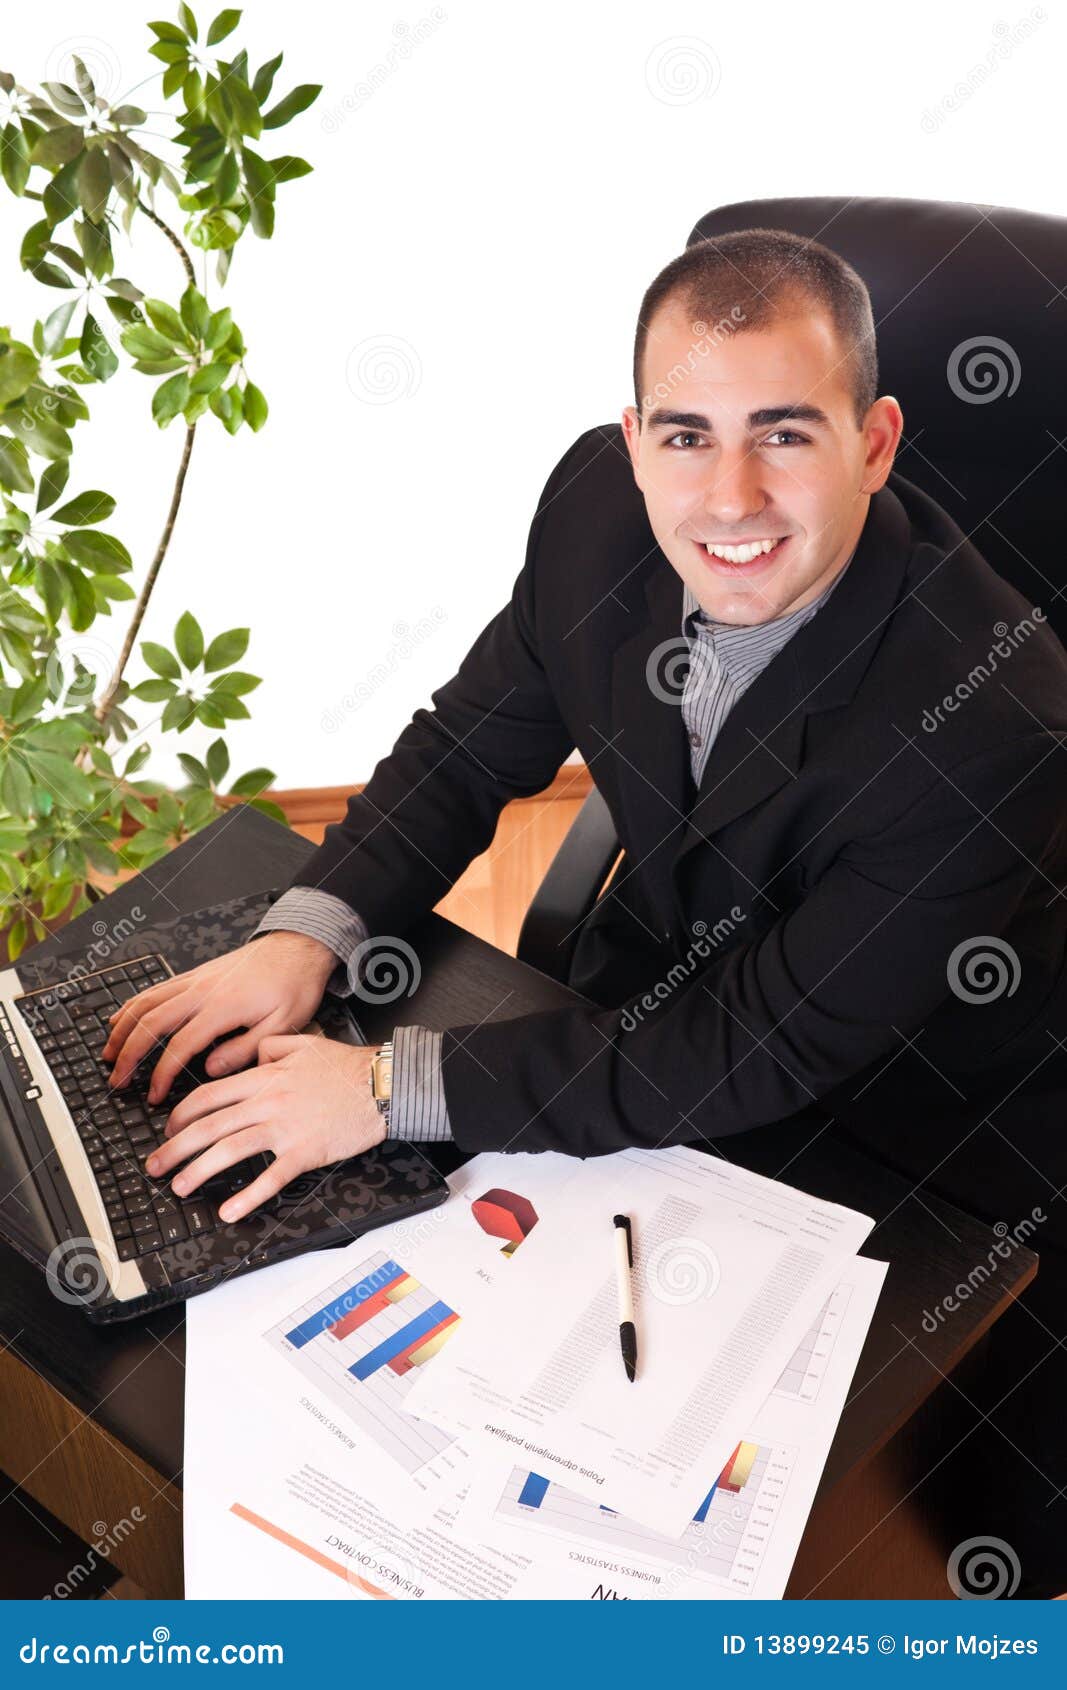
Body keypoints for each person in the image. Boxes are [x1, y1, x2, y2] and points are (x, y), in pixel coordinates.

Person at [103, 228, 1067, 1593]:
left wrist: (385, 1086)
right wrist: (301, 934)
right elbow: (471, 743)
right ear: (631, 437)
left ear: (878, 441)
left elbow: (756, 1050)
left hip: (918, 1129)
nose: (727, 495)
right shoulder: (596, 510)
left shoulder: (993, 722)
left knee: (909, 1542)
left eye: (784, 434)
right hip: (657, 1003)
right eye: (685, 435)